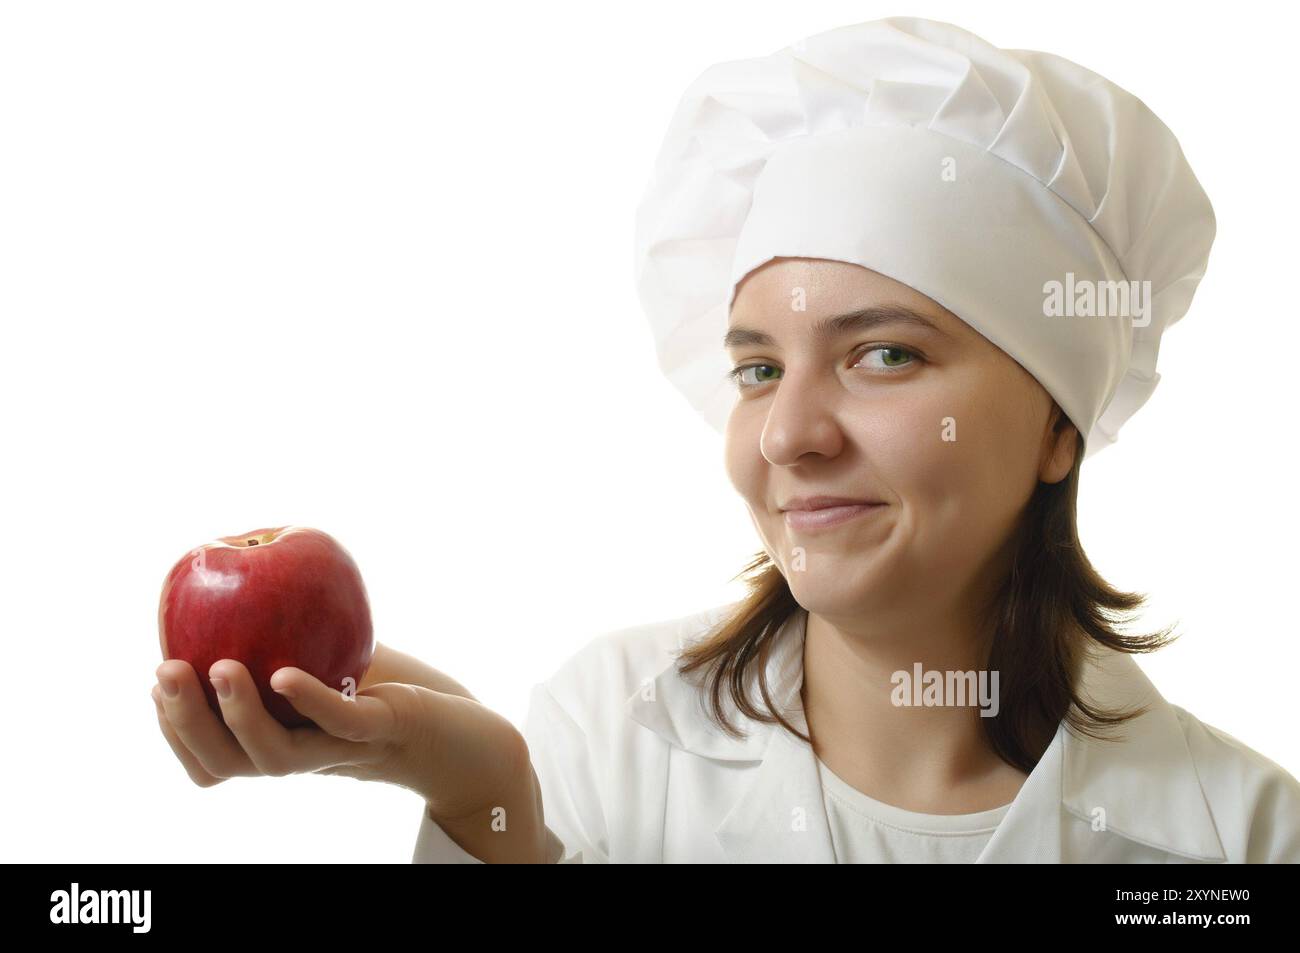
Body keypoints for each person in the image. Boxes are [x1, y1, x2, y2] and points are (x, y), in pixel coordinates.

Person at [152, 16, 1300, 863]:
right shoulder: (595, 740)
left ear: (1058, 422)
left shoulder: (1239, 837)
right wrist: (483, 797)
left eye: (882, 353)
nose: (787, 434)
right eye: (756, 367)